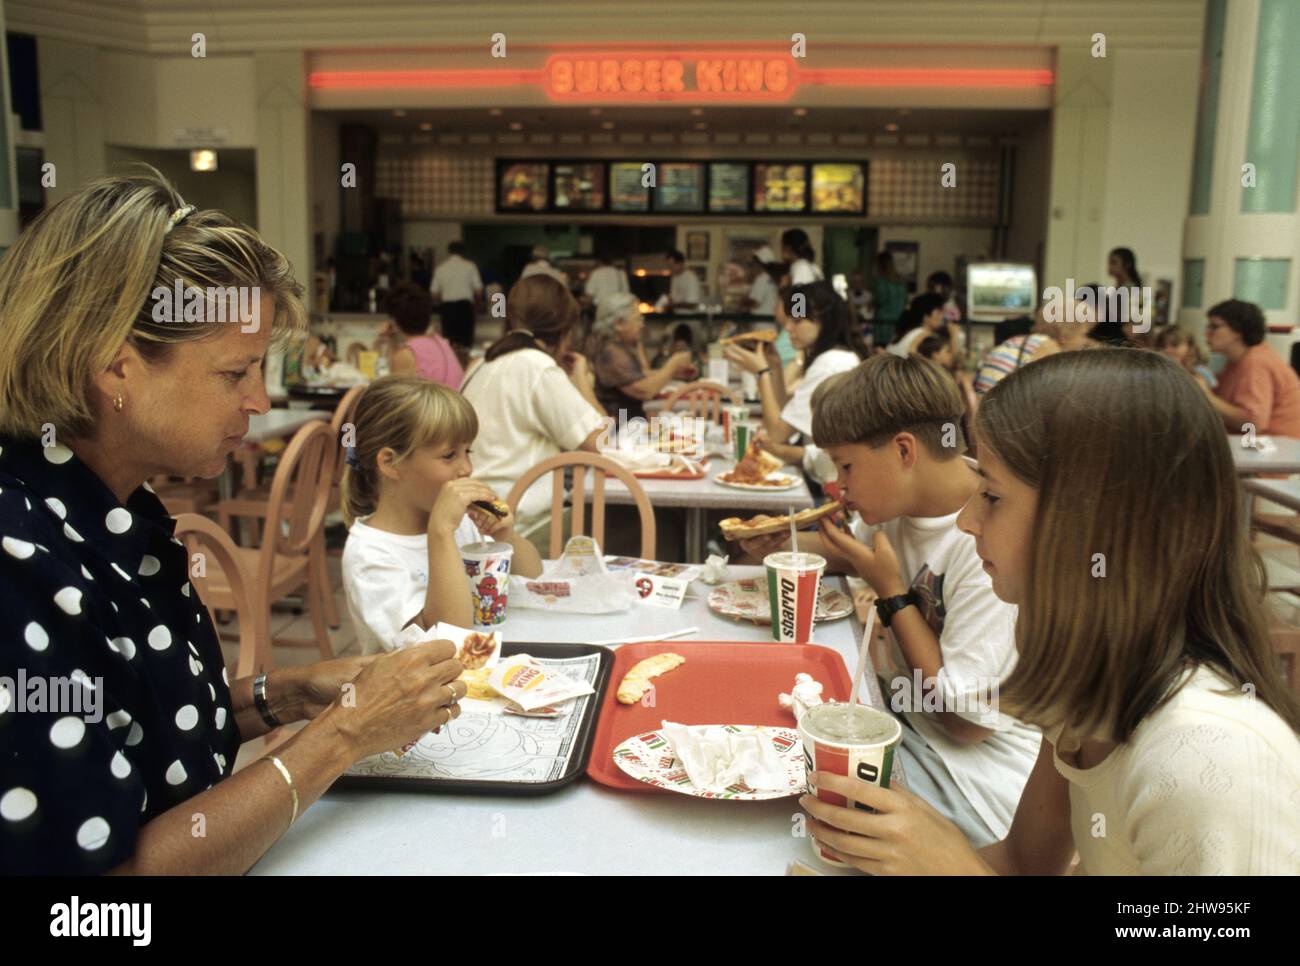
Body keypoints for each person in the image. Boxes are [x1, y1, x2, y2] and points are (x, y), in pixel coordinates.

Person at [0, 169, 466, 874]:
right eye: (235, 372)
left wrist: (286, 693)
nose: (259, 399)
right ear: (114, 367)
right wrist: (343, 732)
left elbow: (138, 720)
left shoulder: (118, 510)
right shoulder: (22, 561)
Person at [800, 350, 1300, 874]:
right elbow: (1023, 863)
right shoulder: (1088, 688)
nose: (967, 521)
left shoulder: (1209, 757)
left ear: (1091, 522)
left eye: (991, 495)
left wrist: (955, 865)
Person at [737, 355, 1040, 845]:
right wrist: (777, 541)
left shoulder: (987, 541)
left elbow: (965, 723)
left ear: (903, 451)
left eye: (847, 465)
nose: (838, 486)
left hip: (976, 779)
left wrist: (894, 597)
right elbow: (853, 555)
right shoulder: (902, 504)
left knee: (788, 805)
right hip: (904, 719)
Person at [340, 378, 542, 654]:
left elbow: (533, 576)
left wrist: (504, 535)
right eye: (449, 455)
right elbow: (448, 642)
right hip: (419, 691)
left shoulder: (459, 523)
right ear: (390, 463)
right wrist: (441, 533)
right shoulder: (370, 556)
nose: (467, 468)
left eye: (467, 452)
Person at [459, 275, 607, 546]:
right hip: (518, 523)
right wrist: (583, 382)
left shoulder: (480, 364)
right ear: (565, 332)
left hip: (469, 520)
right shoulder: (537, 367)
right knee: (623, 516)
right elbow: (602, 443)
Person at [723, 281, 868, 485]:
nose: (788, 328)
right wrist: (774, 368)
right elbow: (787, 417)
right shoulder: (835, 356)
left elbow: (777, 434)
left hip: (832, 483)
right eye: (789, 319)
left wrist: (761, 373)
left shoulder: (830, 364)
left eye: (797, 321)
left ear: (824, 323)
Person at [586, 292, 695, 425]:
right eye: (638, 319)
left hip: (630, 425)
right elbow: (645, 390)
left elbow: (639, 375)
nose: (642, 325)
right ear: (619, 324)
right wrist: (673, 364)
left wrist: (675, 373)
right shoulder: (610, 353)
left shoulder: (614, 346)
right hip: (621, 432)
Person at [1204, 298, 1300, 437]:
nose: (1206, 333)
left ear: (1238, 330)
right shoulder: (1237, 361)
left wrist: (1205, 396)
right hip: (1266, 447)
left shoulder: (1256, 361)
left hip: (1277, 449)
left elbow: (1254, 423)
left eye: (1214, 327)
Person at [382, 282, 464, 389]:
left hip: (436, 406)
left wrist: (385, 339)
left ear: (394, 320)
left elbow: (394, 400)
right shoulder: (440, 342)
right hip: (456, 403)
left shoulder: (405, 355)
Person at [430, 241, 483, 351]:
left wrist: (439, 305)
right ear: (463, 251)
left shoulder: (441, 268)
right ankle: (465, 364)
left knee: (449, 341)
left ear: (449, 251)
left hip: (447, 308)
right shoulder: (470, 266)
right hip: (465, 307)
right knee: (465, 340)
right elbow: (478, 290)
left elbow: (434, 292)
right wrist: (478, 305)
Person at [1153, 325, 1216, 389]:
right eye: (1162, 346)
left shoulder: (1201, 372)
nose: (1167, 350)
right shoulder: (1156, 372)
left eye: (1175, 344)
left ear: (1189, 347)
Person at [889, 292, 949, 358]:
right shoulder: (924, 335)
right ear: (926, 316)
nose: (943, 316)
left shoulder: (908, 331)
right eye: (939, 311)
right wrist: (954, 333)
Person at [870, 250, 907, 349]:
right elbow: (905, 301)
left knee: (881, 352)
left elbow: (880, 300)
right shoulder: (901, 281)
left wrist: (872, 302)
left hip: (883, 323)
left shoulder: (881, 281)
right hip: (899, 322)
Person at [742, 245, 780, 317]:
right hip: (769, 324)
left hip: (761, 325)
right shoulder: (771, 279)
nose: (753, 267)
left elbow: (755, 303)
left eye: (754, 263)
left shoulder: (762, 279)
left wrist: (742, 302)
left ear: (760, 264)